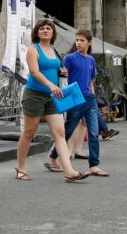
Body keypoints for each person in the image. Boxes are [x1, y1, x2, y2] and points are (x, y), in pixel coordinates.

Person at [14, 20, 90, 182]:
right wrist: (50, 85)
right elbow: (34, 72)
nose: (46, 30)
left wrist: (62, 71)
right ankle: (20, 169)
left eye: (49, 28)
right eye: (42, 28)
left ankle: (69, 171)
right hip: (34, 95)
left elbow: (54, 70)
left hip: (52, 97)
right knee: (29, 133)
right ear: (37, 32)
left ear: (53, 33)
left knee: (60, 133)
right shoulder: (33, 50)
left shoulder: (54, 50)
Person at [45, 29, 109, 176]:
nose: (78, 43)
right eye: (77, 40)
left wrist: (92, 96)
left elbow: (91, 81)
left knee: (93, 133)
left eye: (82, 40)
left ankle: (94, 165)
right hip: (74, 99)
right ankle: (52, 157)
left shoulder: (91, 60)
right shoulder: (69, 58)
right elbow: (61, 79)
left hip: (89, 100)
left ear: (89, 42)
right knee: (67, 132)